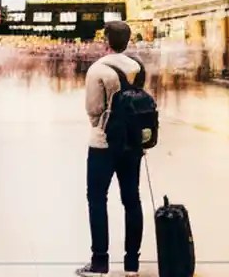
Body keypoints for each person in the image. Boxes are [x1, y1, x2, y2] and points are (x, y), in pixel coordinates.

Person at [78, 22, 144, 277]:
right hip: (132, 143)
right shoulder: (137, 66)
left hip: (103, 143)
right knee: (131, 199)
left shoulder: (98, 69)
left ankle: (100, 262)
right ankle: (132, 265)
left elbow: (93, 109)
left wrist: (103, 123)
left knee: (97, 199)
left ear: (106, 40)